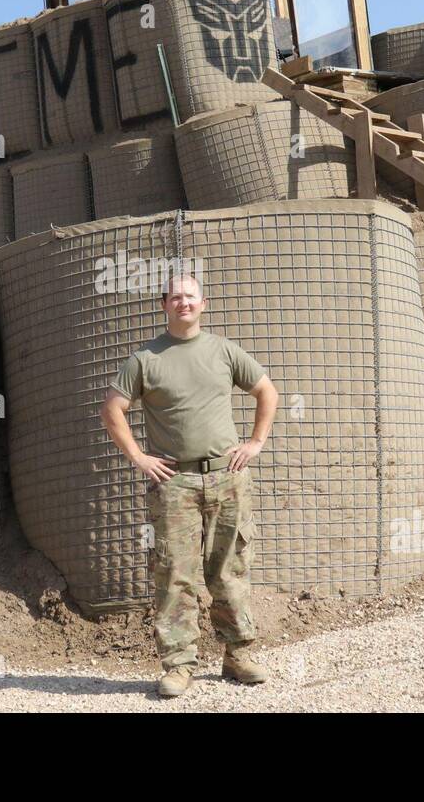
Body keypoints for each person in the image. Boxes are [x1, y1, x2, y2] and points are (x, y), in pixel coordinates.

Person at [100, 273, 279, 698]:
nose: (184, 303)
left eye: (191, 296)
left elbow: (266, 391)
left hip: (227, 477)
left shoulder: (224, 351)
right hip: (174, 482)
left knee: (229, 570)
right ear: (164, 305)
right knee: (175, 573)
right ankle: (179, 666)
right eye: (176, 297)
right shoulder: (145, 359)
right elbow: (112, 410)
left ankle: (238, 656)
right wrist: (139, 458)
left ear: (203, 303)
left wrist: (255, 442)